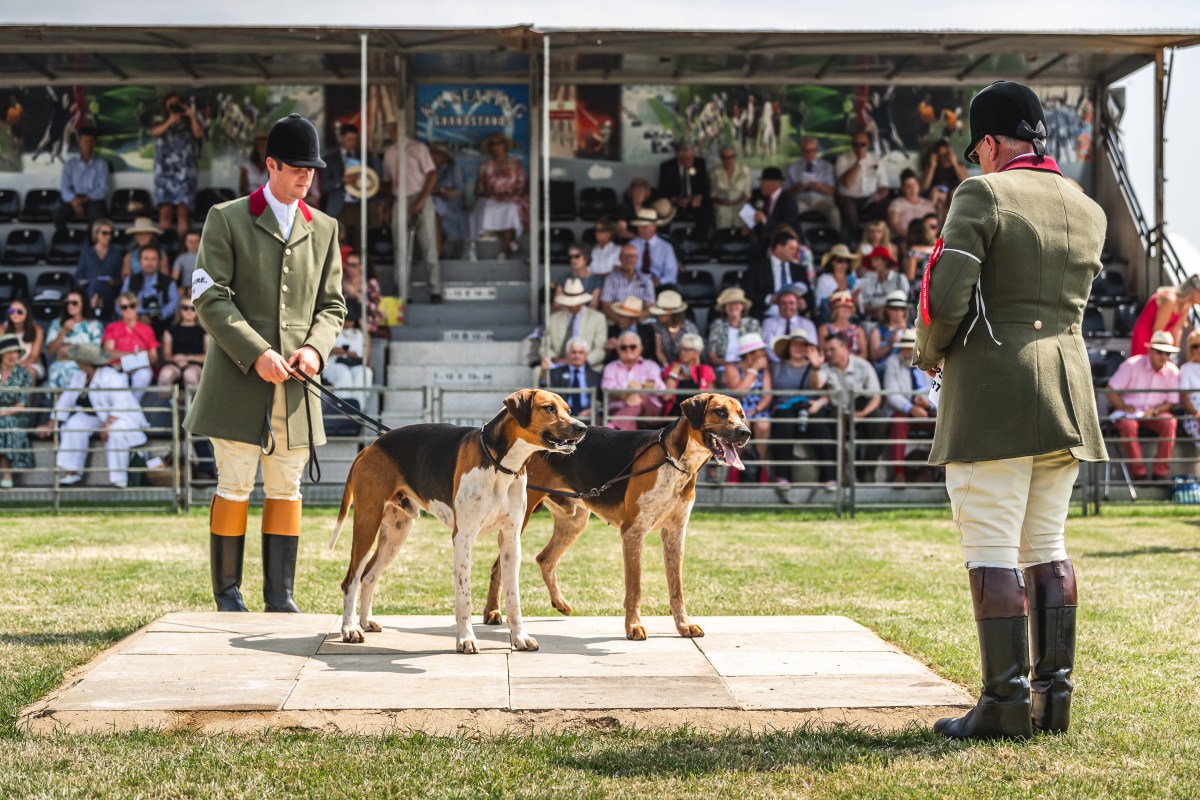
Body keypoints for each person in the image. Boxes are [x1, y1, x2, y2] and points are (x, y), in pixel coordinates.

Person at [915, 81, 1108, 740]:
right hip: (1067, 392)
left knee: (991, 550)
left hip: (994, 391)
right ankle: (1053, 702)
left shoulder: (982, 192)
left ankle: (1002, 703)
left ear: (990, 143)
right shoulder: (1087, 205)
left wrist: (927, 354)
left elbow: (946, 299)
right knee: (1048, 548)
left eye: (979, 148)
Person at [183, 113, 346, 615]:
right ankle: (228, 596)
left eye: (312, 169)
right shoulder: (226, 217)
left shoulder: (325, 227)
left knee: (286, 487)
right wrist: (257, 353)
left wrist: (316, 349)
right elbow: (209, 299)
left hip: (297, 387)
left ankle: (280, 596)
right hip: (237, 381)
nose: (305, 176)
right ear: (270, 164)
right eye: (296, 167)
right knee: (233, 485)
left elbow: (333, 306)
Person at [50, 343, 149, 488]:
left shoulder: (112, 376)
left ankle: (119, 479)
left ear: (87, 362)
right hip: (97, 416)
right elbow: (66, 399)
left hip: (122, 417)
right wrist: (53, 420)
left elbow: (121, 404)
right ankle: (72, 472)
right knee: (74, 425)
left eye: (79, 360)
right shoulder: (79, 376)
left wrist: (107, 425)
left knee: (115, 432)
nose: (76, 363)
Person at [801, 332, 881, 485]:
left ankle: (868, 470)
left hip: (860, 408)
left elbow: (876, 397)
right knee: (825, 425)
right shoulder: (825, 367)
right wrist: (816, 367)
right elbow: (816, 385)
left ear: (844, 347)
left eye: (832, 349)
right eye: (826, 350)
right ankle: (838, 475)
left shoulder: (863, 366)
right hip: (836, 412)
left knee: (880, 420)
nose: (829, 354)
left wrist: (862, 414)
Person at [1105, 331, 1180, 481]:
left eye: (1167, 353)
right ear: (1150, 351)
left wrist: (1156, 410)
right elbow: (1110, 390)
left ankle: (1161, 472)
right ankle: (1139, 473)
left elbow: (1171, 402)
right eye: (1160, 352)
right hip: (1128, 413)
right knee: (1128, 425)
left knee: (1170, 422)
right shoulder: (1132, 364)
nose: (1164, 356)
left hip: (1154, 414)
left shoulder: (1173, 371)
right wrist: (1123, 406)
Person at [384, 122, 441, 302]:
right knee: (401, 247)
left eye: (395, 130)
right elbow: (388, 181)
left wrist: (420, 201)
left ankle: (435, 289)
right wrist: (387, 206)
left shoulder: (418, 148)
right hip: (399, 199)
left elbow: (432, 175)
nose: (393, 134)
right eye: (391, 131)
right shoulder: (389, 152)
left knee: (428, 245)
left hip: (420, 196)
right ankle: (403, 292)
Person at [769, 331, 826, 485]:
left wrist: (815, 367)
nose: (798, 348)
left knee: (821, 423)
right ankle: (783, 476)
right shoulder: (776, 367)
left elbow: (817, 388)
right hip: (784, 408)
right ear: (788, 347)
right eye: (795, 344)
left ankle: (829, 477)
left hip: (808, 407)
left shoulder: (816, 366)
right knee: (784, 423)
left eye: (803, 345)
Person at [148, 93, 203, 239]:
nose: (174, 107)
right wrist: (170, 120)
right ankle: (163, 249)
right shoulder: (160, 121)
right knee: (164, 212)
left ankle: (181, 249)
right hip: (164, 174)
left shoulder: (188, 123)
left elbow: (199, 134)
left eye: (177, 104)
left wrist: (191, 115)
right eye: (171, 104)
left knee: (182, 213)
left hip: (184, 174)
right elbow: (154, 132)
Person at [882, 328, 934, 482]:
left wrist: (929, 405)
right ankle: (899, 473)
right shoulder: (893, 362)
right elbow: (891, 393)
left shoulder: (930, 361)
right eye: (903, 347)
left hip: (927, 411)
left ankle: (944, 472)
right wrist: (910, 408)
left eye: (909, 347)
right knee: (899, 422)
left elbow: (940, 390)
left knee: (944, 424)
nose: (905, 352)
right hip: (903, 410)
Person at [320, 123, 382, 248]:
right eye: (349, 139)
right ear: (341, 138)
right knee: (338, 247)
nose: (352, 143)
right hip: (338, 208)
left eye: (355, 139)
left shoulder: (364, 157)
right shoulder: (330, 158)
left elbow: (374, 183)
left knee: (360, 246)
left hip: (359, 207)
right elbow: (325, 185)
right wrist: (342, 180)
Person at [722, 332, 773, 482]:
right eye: (760, 351)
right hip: (736, 410)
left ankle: (762, 468)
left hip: (757, 409)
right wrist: (753, 370)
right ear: (750, 355)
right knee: (743, 425)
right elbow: (739, 392)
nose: (764, 354)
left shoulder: (764, 370)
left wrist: (756, 409)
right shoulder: (732, 369)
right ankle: (734, 469)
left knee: (763, 425)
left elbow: (768, 395)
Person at [470, 131, 528, 260]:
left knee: (510, 209)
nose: (496, 146)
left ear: (504, 146)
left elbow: (522, 184)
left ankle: (503, 250)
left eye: (499, 143)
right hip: (491, 198)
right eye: (493, 144)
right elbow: (479, 188)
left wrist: (508, 195)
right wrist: (493, 195)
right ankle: (509, 241)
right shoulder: (485, 166)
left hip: (512, 198)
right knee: (486, 209)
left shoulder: (515, 164)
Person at [602, 330, 665, 431]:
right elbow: (608, 392)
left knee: (639, 395)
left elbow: (657, 386)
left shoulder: (651, 365)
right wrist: (628, 395)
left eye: (632, 347)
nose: (628, 350)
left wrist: (640, 387)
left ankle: (614, 427)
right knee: (635, 402)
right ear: (618, 349)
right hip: (618, 410)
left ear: (640, 348)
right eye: (623, 347)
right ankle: (620, 427)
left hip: (649, 413)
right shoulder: (610, 367)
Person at [743, 229, 813, 317]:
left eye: (796, 249)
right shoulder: (757, 269)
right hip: (767, 316)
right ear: (779, 247)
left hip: (795, 318)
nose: (795, 252)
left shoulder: (799, 270)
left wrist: (804, 303)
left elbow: (809, 296)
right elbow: (748, 294)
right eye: (791, 248)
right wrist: (770, 299)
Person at [101, 291, 158, 399]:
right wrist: (131, 354)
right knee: (114, 378)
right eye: (124, 307)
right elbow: (107, 352)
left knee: (144, 375)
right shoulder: (113, 327)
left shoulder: (147, 329)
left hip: (140, 367)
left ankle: (132, 408)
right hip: (118, 367)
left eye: (132, 306)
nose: (128, 310)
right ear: (119, 309)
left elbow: (154, 358)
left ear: (137, 307)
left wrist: (144, 354)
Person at [53, 125, 109, 235]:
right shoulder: (70, 165)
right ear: (79, 143)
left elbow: (104, 189)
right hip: (74, 198)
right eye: (85, 142)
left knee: (97, 219)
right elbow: (65, 188)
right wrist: (75, 201)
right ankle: (67, 241)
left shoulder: (102, 165)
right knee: (57, 215)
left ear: (95, 143)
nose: (88, 146)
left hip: (92, 200)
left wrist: (85, 199)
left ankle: (88, 245)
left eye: (91, 142)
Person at [543, 278, 608, 370]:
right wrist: (556, 359)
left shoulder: (598, 318)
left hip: (587, 364)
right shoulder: (553, 319)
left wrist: (581, 360)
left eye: (576, 303)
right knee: (539, 371)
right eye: (569, 303)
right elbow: (544, 347)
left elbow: (600, 350)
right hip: (558, 364)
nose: (573, 306)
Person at [45, 290, 104, 390]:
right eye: (67, 303)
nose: (70, 305)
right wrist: (64, 330)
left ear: (83, 304)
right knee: (56, 370)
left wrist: (71, 348)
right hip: (59, 365)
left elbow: (95, 351)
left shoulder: (94, 325)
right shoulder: (56, 323)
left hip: (84, 365)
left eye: (74, 303)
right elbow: (51, 350)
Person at [1128, 275, 1200, 356]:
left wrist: (1174, 354)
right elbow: (1157, 330)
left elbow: (1177, 329)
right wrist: (1164, 352)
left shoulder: (1187, 305)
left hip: (1161, 338)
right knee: (1143, 364)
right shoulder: (1170, 300)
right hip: (1147, 335)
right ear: (1194, 291)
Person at [836, 131, 890, 238]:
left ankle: (879, 239)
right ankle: (856, 238)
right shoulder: (843, 159)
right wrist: (858, 162)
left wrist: (879, 195)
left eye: (863, 144)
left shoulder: (876, 161)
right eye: (856, 145)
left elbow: (884, 186)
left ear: (868, 144)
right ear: (852, 145)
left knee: (885, 207)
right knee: (848, 210)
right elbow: (847, 182)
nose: (859, 148)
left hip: (869, 198)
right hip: (849, 197)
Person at [323, 302, 373, 409]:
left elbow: (365, 356)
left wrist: (365, 332)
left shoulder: (358, 333)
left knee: (365, 373)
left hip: (352, 365)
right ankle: (343, 408)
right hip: (333, 364)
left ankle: (358, 408)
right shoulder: (332, 331)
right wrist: (341, 351)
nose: (349, 323)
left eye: (351, 320)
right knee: (344, 374)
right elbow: (324, 350)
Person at [657, 140, 711, 237]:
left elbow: (705, 187)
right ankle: (667, 240)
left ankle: (699, 240)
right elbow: (662, 191)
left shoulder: (700, 164)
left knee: (707, 210)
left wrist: (698, 197)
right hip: (675, 204)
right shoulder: (667, 167)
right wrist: (675, 200)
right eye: (687, 158)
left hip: (695, 203)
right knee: (663, 210)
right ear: (679, 157)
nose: (691, 161)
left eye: (692, 157)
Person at [121, 245, 177, 337]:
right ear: (140, 261)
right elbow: (120, 302)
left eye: (153, 259)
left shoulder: (169, 281)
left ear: (159, 262)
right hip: (134, 323)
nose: (149, 263)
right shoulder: (130, 280)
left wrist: (159, 315)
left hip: (162, 325)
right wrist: (136, 316)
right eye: (146, 259)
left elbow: (174, 303)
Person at [0, 335, 33, 489]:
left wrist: (2, 412)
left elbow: (22, 405)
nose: (13, 356)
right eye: (8, 352)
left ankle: (6, 472)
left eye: (15, 352)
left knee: (6, 423)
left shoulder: (24, 374)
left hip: (16, 416)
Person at [156, 295, 207, 392]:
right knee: (165, 375)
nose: (189, 311)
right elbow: (167, 355)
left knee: (190, 375)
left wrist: (187, 357)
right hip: (175, 363)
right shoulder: (170, 330)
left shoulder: (204, 331)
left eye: (193, 308)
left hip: (196, 365)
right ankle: (168, 405)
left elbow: (207, 357)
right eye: (185, 308)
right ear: (179, 310)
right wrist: (177, 360)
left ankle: (193, 406)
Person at [787, 136, 840, 230]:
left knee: (835, 212)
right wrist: (797, 189)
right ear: (801, 150)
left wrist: (819, 187)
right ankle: (793, 240)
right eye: (806, 150)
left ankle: (837, 240)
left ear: (817, 150)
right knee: (789, 211)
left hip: (822, 199)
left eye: (813, 150)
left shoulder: (827, 166)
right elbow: (787, 194)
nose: (810, 153)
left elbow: (832, 191)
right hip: (801, 199)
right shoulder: (793, 167)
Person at [542, 337, 601, 421]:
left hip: (589, 417)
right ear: (567, 354)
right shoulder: (555, 373)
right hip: (562, 417)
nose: (577, 355)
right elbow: (546, 391)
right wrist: (543, 372)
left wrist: (591, 411)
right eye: (573, 352)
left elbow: (601, 400)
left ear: (586, 355)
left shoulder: (596, 376)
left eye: (581, 352)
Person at [75, 218, 123, 319]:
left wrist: (112, 282)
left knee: (101, 285)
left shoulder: (116, 253)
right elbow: (78, 278)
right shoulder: (86, 253)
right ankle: (95, 301)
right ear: (96, 234)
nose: (108, 237)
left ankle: (93, 306)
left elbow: (119, 279)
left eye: (110, 233)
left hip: (109, 291)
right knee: (95, 283)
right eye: (104, 233)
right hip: (89, 289)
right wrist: (91, 281)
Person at [706, 287, 762, 372]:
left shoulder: (752, 324)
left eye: (736, 303)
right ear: (724, 307)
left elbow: (760, 353)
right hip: (724, 368)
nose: (733, 306)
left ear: (742, 306)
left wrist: (745, 365)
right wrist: (731, 366)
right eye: (729, 303)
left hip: (749, 368)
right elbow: (712, 356)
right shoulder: (717, 325)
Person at [662, 332, 716, 416]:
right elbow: (666, 396)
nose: (682, 353)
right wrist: (673, 374)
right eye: (681, 349)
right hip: (675, 415)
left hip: (698, 414)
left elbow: (711, 399)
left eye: (687, 350)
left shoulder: (706, 370)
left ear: (697, 352)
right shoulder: (671, 368)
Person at [600, 244, 657, 324]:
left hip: (639, 322)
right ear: (620, 258)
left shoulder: (646, 280)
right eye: (625, 256)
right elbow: (606, 305)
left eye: (631, 256)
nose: (628, 259)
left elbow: (650, 306)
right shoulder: (611, 279)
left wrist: (634, 320)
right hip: (616, 321)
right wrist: (619, 320)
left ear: (637, 259)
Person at [762, 286, 818, 363]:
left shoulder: (808, 324)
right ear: (778, 305)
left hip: (802, 365)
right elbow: (768, 348)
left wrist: (797, 364)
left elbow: (812, 347)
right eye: (784, 303)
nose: (788, 306)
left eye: (791, 303)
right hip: (776, 366)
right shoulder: (768, 323)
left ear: (797, 305)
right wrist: (783, 364)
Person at [429, 142, 470, 247]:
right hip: (433, 201)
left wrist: (442, 191)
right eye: (432, 154)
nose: (434, 157)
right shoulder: (429, 170)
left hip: (452, 202)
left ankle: (439, 247)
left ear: (443, 156)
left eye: (437, 154)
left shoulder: (452, 169)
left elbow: (459, 191)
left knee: (436, 206)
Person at [629, 203, 679, 287]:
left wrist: (660, 281)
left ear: (654, 227)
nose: (641, 230)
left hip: (659, 286)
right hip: (635, 285)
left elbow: (671, 275)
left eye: (645, 227)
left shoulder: (665, 247)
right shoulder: (631, 246)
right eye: (639, 227)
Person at [748, 167, 800, 246]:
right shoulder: (762, 196)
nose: (760, 185)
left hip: (784, 244)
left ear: (772, 184)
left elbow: (786, 227)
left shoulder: (788, 201)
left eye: (763, 182)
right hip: (764, 241)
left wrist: (764, 220)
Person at [856, 247, 910, 320]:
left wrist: (885, 309)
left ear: (885, 261)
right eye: (872, 260)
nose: (872, 263)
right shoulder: (870, 282)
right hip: (873, 321)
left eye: (875, 260)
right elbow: (865, 309)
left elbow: (905, 304)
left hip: (895, 321)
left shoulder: (900, 279)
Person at [649, 290, 699, 368]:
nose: (659, 314)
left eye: (662, 313)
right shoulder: (658, 326)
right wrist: (667, 368)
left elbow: (694, 353)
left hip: (687, 367)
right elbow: (659, 351)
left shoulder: (688, 328)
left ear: (673, 314)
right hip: (665, 368)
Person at [868, 291, 912, 376]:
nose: (898, 312)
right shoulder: (878, 331)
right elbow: (874, 357)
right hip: (885, 370)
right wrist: (889, 344)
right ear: (887, 310)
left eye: (901, 308)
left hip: (908, 368)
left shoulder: (912, 329)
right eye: (894, 308)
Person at [921, 138, 968, 213]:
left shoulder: (959, 166)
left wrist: (954, 164)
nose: (945, 158)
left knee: (955, 192)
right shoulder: (932, 167)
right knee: (935, 193)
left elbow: (967, 182)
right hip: (938, 196)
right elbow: (924, 187)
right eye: (942, 155)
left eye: (947, 154)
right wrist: (932, 166)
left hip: (953, 194)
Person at [604, 296, 656, 363]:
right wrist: (608, 350)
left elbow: (651, 354)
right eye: (619, 315)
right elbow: (608, 359)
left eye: (623, 317)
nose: (619, 319)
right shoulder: (612, 330)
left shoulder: (648, 330)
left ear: (633, 319)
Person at [4, 299, 45, 385]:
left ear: (27, 313)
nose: (15, 314)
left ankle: (24, 399)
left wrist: (17, 366)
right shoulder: (2, 329)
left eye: (19, 311)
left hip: (30, 364)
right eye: (11, 311)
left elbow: (34, 357)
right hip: (6, 364)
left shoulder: (37, 330)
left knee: (29, 374)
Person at [887, 169, 937, 239]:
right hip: (904, 238)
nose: (912, 188)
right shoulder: (896, 203)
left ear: (918, 186)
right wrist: (910, 236)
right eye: (908, 186)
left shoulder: (928, 204)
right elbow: (894, 224)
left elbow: (934, 223)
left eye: (914, 185)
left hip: (926, 238)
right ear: (903, 189)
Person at [814, 244, 861, 320]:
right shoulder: (824, 279)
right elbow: (819, 305)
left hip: (852, 317)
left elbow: (861, 307)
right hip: (831, 318)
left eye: (847, 261)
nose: (844, 264)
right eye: (840, 260)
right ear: (832, 262)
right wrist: (837, 294)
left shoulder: (852, 276)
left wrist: (855, 299)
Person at [711, 144, 750, 230]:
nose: (730, 160)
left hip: (739, 203)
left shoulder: (744, 170)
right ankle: (722, 237)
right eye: (727, 157)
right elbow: (713, 195)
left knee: (744, 211)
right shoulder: (714, 172)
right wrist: (724, 202)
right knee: (721, 212)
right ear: (721, 158)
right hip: (722, 204)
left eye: (732, 156)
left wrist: (735, 202)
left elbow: (747, 194)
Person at [820, 291, 867, 357]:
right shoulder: (825, 329)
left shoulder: (858, 330)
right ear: (834, 310)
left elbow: (864, 353)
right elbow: (823, 353)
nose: (846, 309)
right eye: (842, 306)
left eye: (848, 307)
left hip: (855, 365)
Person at [120, 217, 163, 283]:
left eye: (145, 234)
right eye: (139, 234)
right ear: (135, 237)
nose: (142, 237)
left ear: (151, 236)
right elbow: (126, 278)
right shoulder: (129, 256)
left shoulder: (161, 255)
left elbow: (165, 278)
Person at [1178, 330, 1200, 447]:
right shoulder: (1186, 368)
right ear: (1190, 349)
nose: (1199, 349)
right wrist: (1198, 415)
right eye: (1195, 346)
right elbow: (1184, 399)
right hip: (1193, 414)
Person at [615, 177, 653, 241]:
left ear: (646, 194)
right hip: (629, 243)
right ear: (631, 192)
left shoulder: (648, 209)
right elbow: (621, 232)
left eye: (642, 191)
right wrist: (639, 238)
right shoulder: (624, 208)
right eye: (636, 190)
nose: (639, 193)